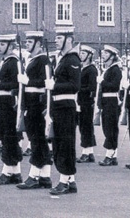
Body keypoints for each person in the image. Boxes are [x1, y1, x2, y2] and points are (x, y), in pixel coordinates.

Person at [45, 26, 81, 195]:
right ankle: (70, 181)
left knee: (65, 144)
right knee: (60, 143)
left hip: (66, 107)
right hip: (59, 106)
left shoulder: (72, 59)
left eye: (59, 38)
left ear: (69, 40)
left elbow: (75, 86)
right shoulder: (62, 59)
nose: (56, 40)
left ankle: (64, 181)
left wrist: (55, 86)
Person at [16, 31, 53, 190]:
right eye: (27, 42)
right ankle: (45, 176)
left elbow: (46, 81)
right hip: (30, 103)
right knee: (38, 141)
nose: (27, 44)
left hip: (37, 104)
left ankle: (33, 176)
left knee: (36, 140)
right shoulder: (31, 60)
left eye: (30, 42)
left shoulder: (43, 59)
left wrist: (28, 81)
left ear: (39, 44)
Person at [0, 34, 22, 185]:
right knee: (7, 137)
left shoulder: (13, 62)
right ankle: (14, 171)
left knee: (9, 137)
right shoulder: (7, 62)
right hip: (4, 102)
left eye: (3, 44)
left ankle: (7, 170)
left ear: (11, 46)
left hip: (9, 103)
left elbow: (15, 84)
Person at [97, 45, 122, 167]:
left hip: (112, 100)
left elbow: (115, 86)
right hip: (106, 101)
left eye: (107, 53)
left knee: (110, 128)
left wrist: (102, 82)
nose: (104, 55)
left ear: (112, 56)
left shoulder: (115, 69)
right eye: (103, 53)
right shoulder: (107, 69)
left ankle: (110, 154)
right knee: (107, 127)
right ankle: (112, 154)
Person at [76, 44, 98, 163]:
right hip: (80, 101)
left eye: (84, 53)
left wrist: (78, 88)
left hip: (86, 101)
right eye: (81, 53)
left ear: (89, 56)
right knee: (83, 127)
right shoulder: (81, 68)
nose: (81, 55)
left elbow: (91, 87)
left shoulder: (91, 69)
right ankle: (89, 153)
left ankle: (87, 152)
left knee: (86, 127)